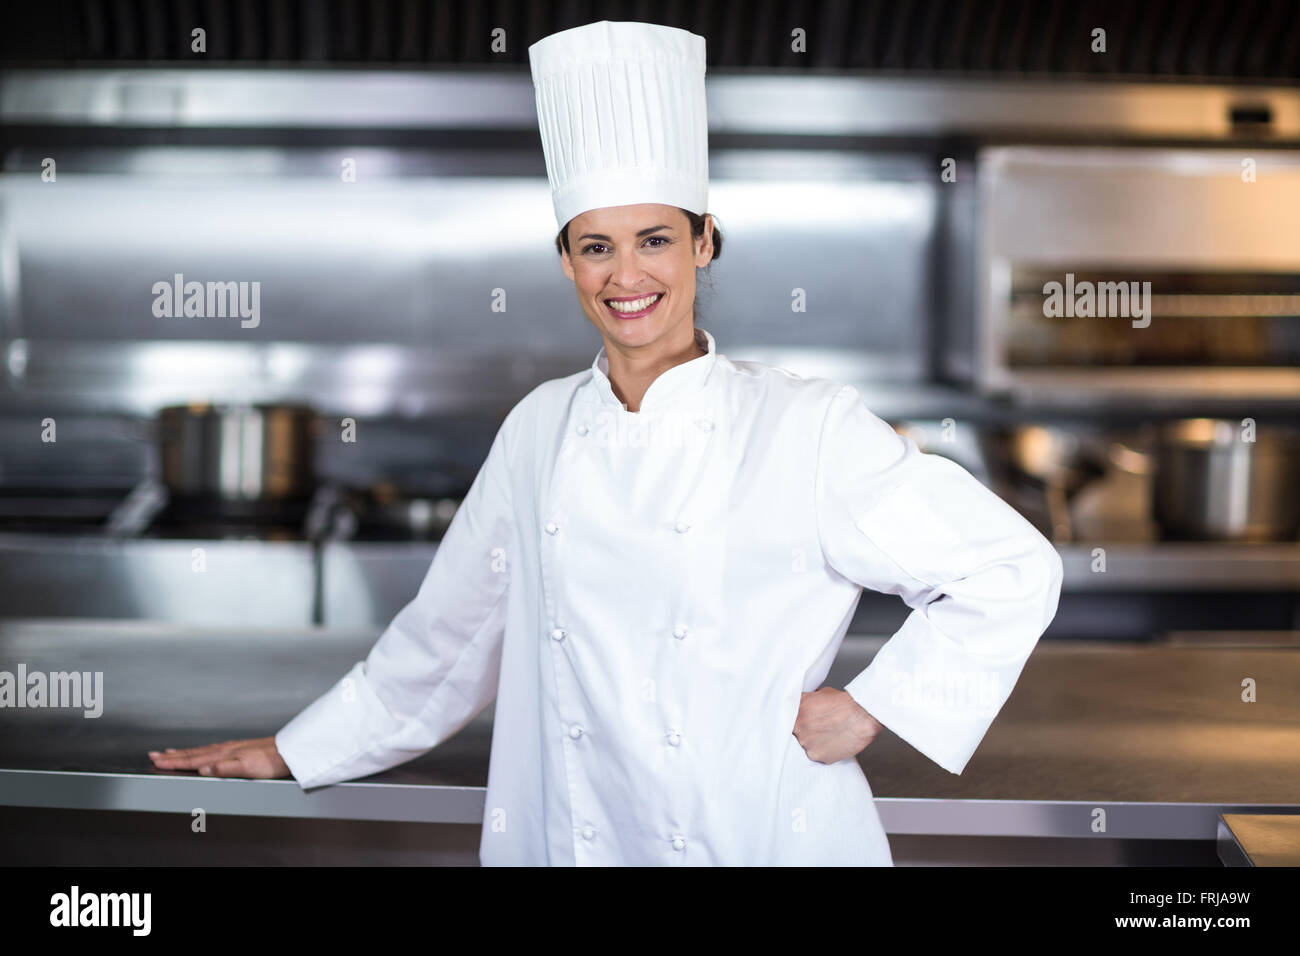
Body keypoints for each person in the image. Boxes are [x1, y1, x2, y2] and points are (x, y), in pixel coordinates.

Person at [149, 20, 1062, 866]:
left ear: (704, 243)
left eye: (655, 239)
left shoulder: (803, 425)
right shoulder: (539, 428)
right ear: (565, 260)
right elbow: (448, 640)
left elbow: (1009, 568)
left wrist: (870, 707)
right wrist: (298, 748)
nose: (627, 276)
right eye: (596, 246)